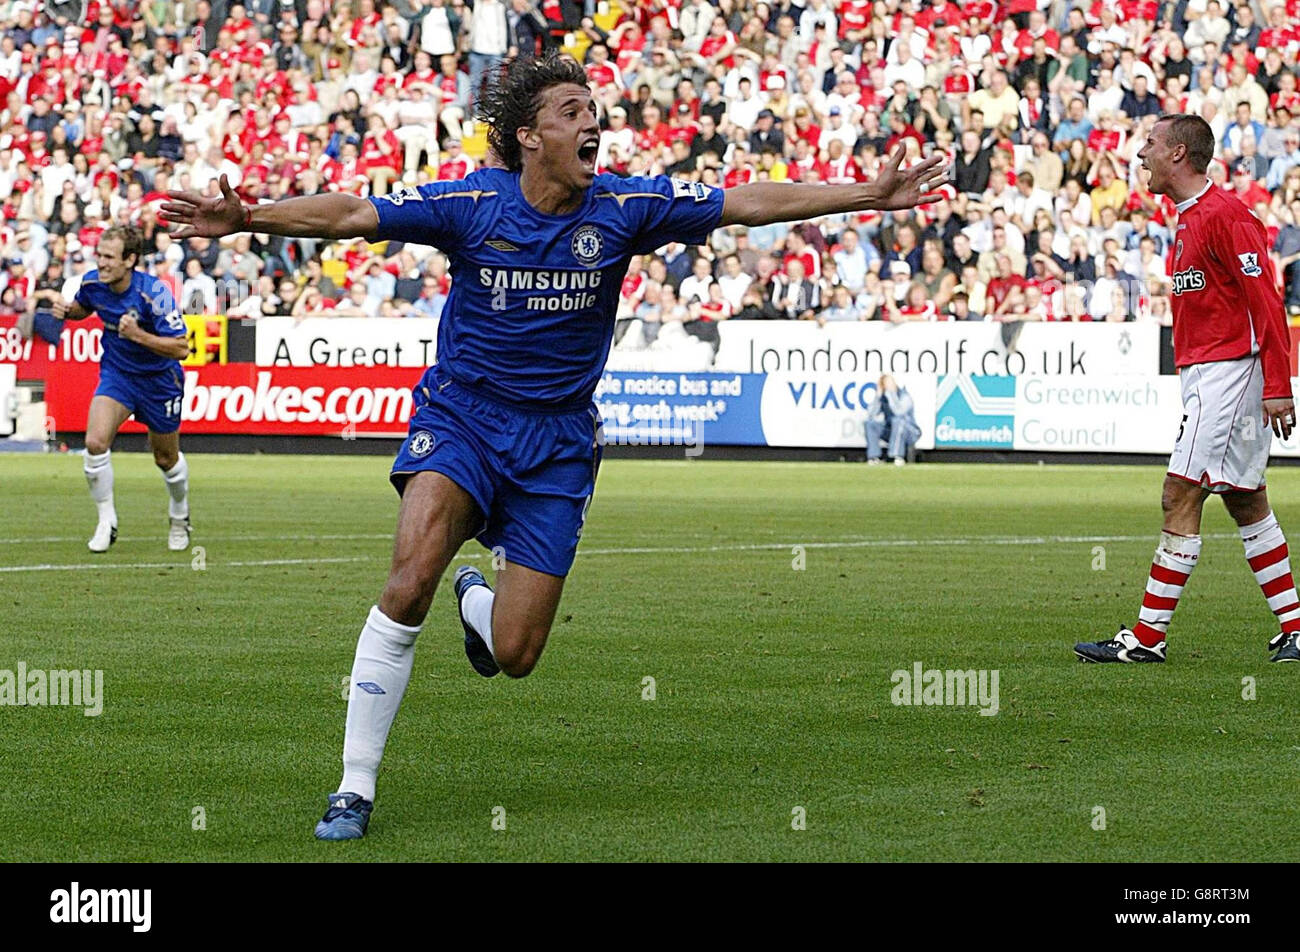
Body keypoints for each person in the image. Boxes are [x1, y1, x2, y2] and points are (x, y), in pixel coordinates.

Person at [160, 53, 948, 840]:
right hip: (464, 418)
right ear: (530, 136)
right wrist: (253, 216)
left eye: (592, 109)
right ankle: (354, 788)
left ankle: (480, 600)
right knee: (407, 581)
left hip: (559, 441)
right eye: (571, 110)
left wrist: (868, 195)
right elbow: (352, 215)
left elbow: (744, 202)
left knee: (516, 654)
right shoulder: (471, 204)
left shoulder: (626, 207)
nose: (591, 122)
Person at [1075, 115, 1300, 665]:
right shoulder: (1188, 219)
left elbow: (1266, 302)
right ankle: (1296, 628)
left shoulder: (1226, 216)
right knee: (1247, 501)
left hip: (1232, 373)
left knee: (1179, 494)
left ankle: (1148, 637)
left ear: (1178, 153)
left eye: (1149, 144)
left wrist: (1278, 382)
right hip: (1211, 375)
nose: (1138, 154)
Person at [24, 225, 191, 553]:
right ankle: (106, 521)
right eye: (99, 255)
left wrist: (139, 335)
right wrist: (68, 312)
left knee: (165, 458)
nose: (101, 263)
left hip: (159, 381)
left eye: (109, 257)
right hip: (118, 375)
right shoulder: (92, 283)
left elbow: (181, 348)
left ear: (130, 260)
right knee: (95, 442)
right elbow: (84, 307)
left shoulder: (154, 294)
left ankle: (179, 514)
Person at [864, 374, 920, 465]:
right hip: (892, 430)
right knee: (870, 424)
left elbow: (898, 412)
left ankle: (897, 456)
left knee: (898, 421)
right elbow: (871, 414)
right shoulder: (882, 397)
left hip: (910, 432)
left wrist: (891, 394)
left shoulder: (905, 396)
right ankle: (874, 457)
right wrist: (877, 397)